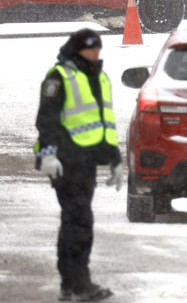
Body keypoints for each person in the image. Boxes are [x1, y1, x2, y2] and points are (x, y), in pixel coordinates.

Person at [34, 28, 121, 302]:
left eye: (98, 49)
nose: (96, 54)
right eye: (90, 49)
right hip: (65, 162)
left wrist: (115, 159)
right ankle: (78, 282)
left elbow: (105, 122)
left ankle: (70, 283)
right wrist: (48, 154)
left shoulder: (98, 76)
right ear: (77, 49)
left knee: (75, 220)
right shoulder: (58, 77)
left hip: (87, 163)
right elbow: (46, 119)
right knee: (79, 220)